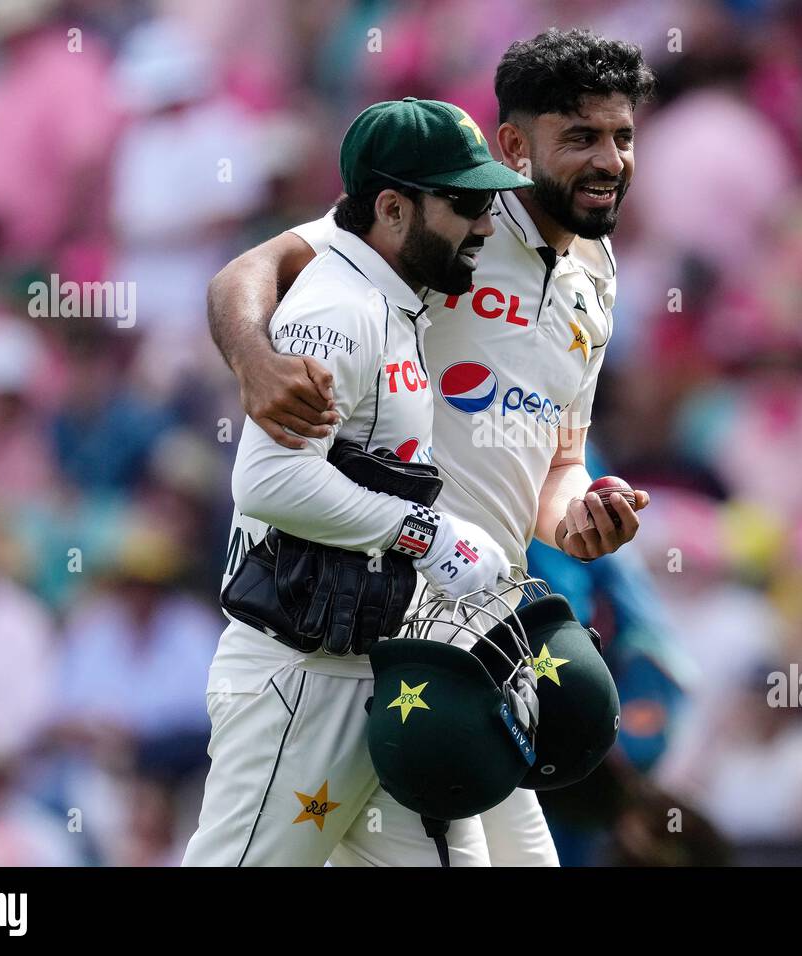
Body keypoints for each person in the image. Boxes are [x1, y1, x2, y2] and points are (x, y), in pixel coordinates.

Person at [207, 29, 656, 866]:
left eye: (622, 135)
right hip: (369, 636)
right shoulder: (444, 226)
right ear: (516, 145)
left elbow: (558, 463)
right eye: (583, 137)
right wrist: (255, 360)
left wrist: (582, 516)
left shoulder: (596, 270)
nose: (610, 159)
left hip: (481, 631)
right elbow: (252, 270)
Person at [182, 97, 532, 866]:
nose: (484, 225)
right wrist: (425, 533)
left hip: (382, 675)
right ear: (394, 208)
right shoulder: (340, 307)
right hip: (298, 684)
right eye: (467, 203)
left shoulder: (387, 296)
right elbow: (269, 483)